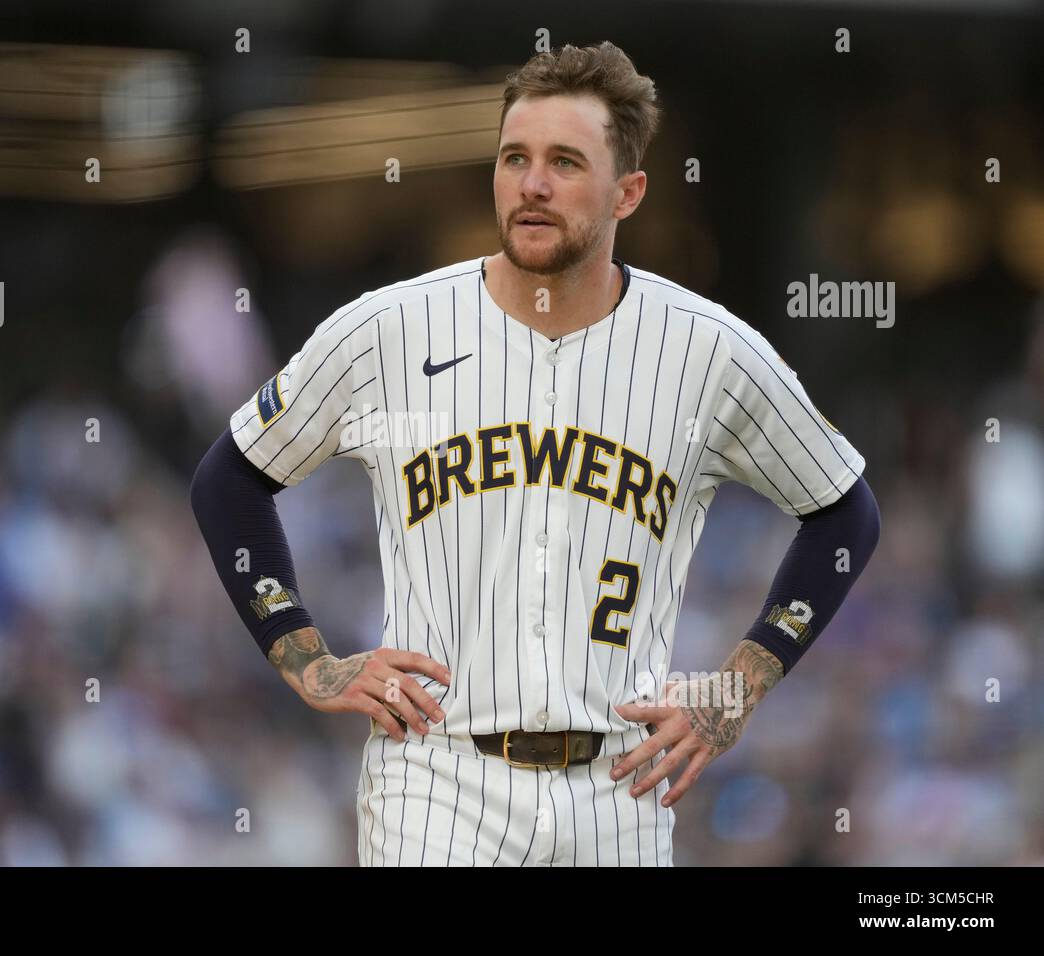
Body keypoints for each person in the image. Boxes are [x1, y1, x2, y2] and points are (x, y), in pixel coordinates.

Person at [191, 41, 880, 866]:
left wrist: (739, 684)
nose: (533, 185)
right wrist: (306, 660)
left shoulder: (708, 352)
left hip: (618, 789)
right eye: (514, 158)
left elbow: (844, 511)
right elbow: (229, 479)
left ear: (629, 193)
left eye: (564, 162)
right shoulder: (388, 329)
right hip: (437, 782)